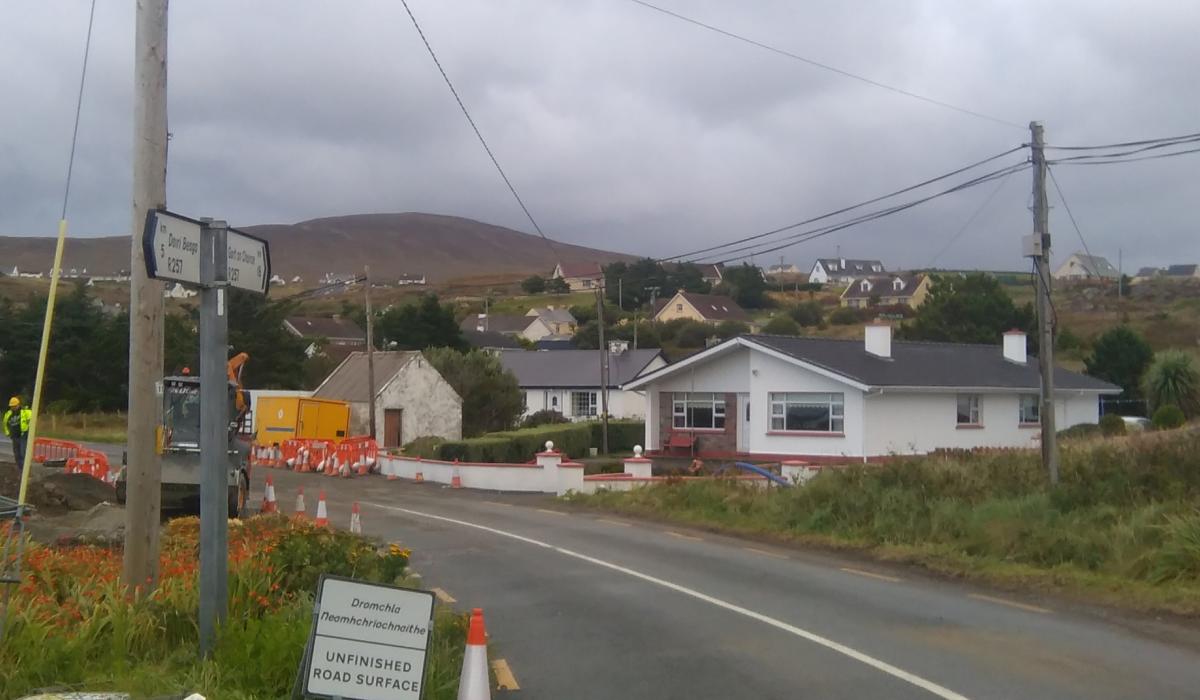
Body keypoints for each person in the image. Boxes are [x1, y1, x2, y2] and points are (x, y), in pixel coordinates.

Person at [3, 396, 33, 466]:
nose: (13, 407)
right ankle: (20, 469)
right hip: (14, 436)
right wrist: (8, 433)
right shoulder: (8, 414)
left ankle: (25, 469)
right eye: (12, 406)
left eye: (14, 406)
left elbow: (32, 421)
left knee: (23, 453)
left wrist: (29, 430)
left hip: (23, 435)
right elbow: (5, 424)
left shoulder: (25, 412)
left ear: (18, 404)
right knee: (17, 455)